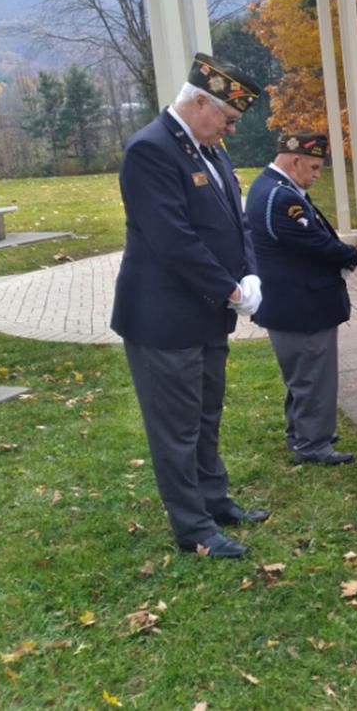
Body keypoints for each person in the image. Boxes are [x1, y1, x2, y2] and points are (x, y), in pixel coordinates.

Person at [111, 52, 269, 560]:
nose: (228, 130)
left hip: (205, 314)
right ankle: (193, 527)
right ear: (199, 101)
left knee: (205, 416)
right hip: (164, 318)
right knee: (175, 428)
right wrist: (228, 289)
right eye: (225, 118)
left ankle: (214, 500)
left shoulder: (210, 150)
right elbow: (171, 240)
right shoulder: (150, 151)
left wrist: (248, 272)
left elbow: (236, 220)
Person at [245, 132, 357, 466]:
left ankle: (305, 432)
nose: (315, 175)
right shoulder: (282, 199)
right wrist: (350, 255)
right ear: (294, 161)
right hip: (301, 306)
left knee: (303, 376)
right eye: (313, 167)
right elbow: (315, 243)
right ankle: (312, 445)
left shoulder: (268, 186)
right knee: (313, 376)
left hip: (291, 302)